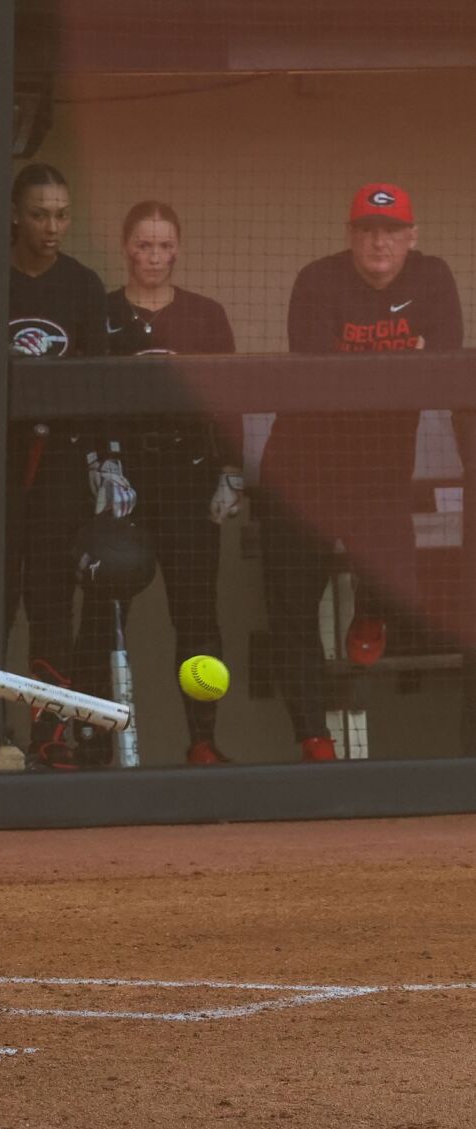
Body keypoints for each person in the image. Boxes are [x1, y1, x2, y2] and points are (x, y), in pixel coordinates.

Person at [259, 183, 464, 760]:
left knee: (401, 585)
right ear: (351, 236)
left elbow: (449, 349)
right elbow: (316, 365)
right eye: (368, 230)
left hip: (378, 469)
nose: (380, 241)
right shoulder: (318, 279)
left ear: (411, 237)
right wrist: (409, 353)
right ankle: (313, 737)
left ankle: (371, 612)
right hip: (302, 470)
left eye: (392, 230)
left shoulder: (432, 277)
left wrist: (394, 361)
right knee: (292, 610)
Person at [82, 200, 239, 765]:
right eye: (144, 245)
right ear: (126, 247)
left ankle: (202, 742)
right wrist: (101, 463)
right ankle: (99, 744)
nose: (154, 256)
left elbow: (229, 401)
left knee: (196, 613)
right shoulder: (98, 314)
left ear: (179, 249)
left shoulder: (206, 315)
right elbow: (85, 402)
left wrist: (231, 471)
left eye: (165, 245)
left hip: (191, 480)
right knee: (108, 614)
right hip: (125, 483)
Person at [5, 163, 119, 769]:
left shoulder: (82, 285)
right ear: (16, 216)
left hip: (63, 471)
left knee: (51, 604)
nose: (53, 227)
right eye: (40, 214)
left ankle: (51, 737)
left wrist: (105, 462)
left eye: (62, 214)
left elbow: (97, 385)